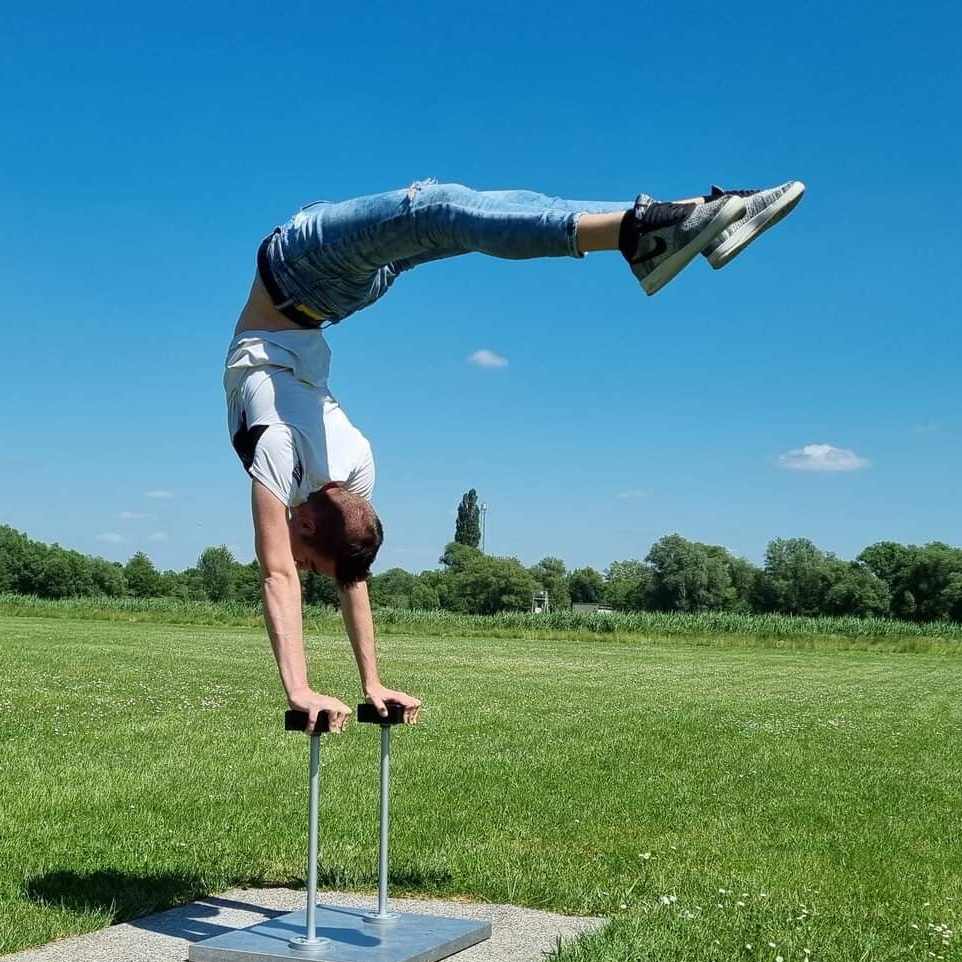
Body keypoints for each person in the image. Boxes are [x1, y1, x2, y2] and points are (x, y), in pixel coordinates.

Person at [223, 178, 806, 732]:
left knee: (449, 212)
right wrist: (358, 684)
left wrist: (310, 688)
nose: (300, 567)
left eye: (309, 564)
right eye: (310, 564)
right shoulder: (353, 470)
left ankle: (661, 225)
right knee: (457, 216)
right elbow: (341, 574)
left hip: (296, 267)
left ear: (301, 520)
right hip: (336, 294)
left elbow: (285, 575)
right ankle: (684, 218)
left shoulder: (278, 447)